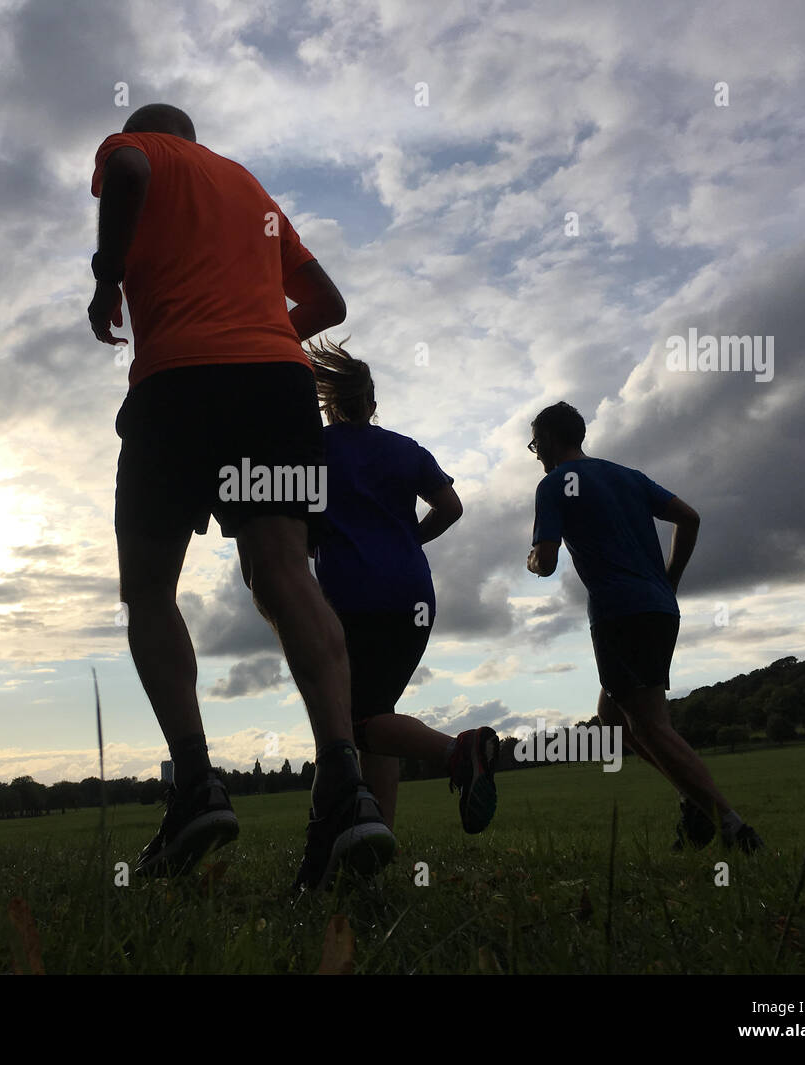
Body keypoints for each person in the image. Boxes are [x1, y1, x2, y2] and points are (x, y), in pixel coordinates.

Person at [89, 103, 392, 891]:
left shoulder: (135, 147)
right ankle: (345, 783)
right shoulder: (250, 186)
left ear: (155, 131)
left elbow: (125, 175)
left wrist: (104, 281)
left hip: (177, 384)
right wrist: (265, 334)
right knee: (284, 570)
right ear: (199, 138)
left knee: (150, 587)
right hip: (276, 386)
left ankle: (196, 783)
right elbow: (329, 302)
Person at [525, 401, 763, 852]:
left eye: (536, 444)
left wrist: (533, 559)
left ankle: (734, 828)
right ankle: (693, 802)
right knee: (613, 716)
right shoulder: (627, 476)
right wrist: (669, 579)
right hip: (659, 609)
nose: (536, 453)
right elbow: (689, 517)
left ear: (551, 441)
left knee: (649, 725)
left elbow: (547, 559)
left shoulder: (554, 483)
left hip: (619, 613)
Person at [306, 337, 499, 834]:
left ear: (328, 404)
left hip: (351, 599)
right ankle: (381, 834)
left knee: (348, 725)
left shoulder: (315, 450)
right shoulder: (406, 450)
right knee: (377, 716)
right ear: (373, 404)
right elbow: (451, 507)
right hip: (413, 596)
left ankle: (458, 751)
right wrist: (410, 539)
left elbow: (299, 528)